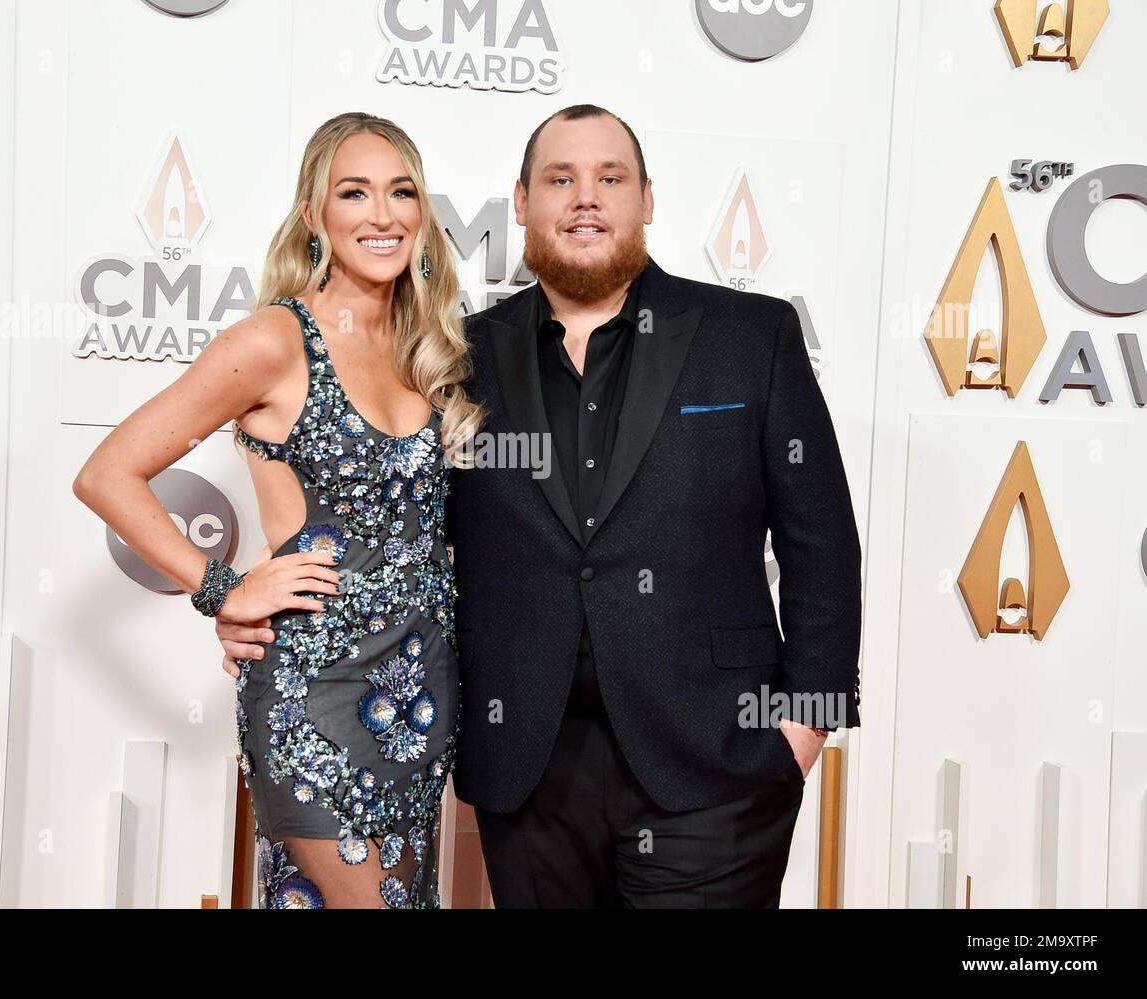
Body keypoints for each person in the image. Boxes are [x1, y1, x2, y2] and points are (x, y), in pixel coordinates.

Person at [217, 104, 863, 909]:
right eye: (560, 179)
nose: (584, 198)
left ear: (648, 198)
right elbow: (394, 525)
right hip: (529, 775)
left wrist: (802, 733)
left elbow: (823, 544)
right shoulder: (453, 356)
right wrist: (256, 603)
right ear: (521, 202)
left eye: (609, 178)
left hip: (717, 767)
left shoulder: (750, 336)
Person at [74, 111, 483, 909]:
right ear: (314, 215)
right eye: (354, 193)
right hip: (315, 704)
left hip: (422, 706)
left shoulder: (424, 347)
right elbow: (107, 473)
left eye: (402, 192)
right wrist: (222, 589)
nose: (383, 214)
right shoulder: (276, 339)